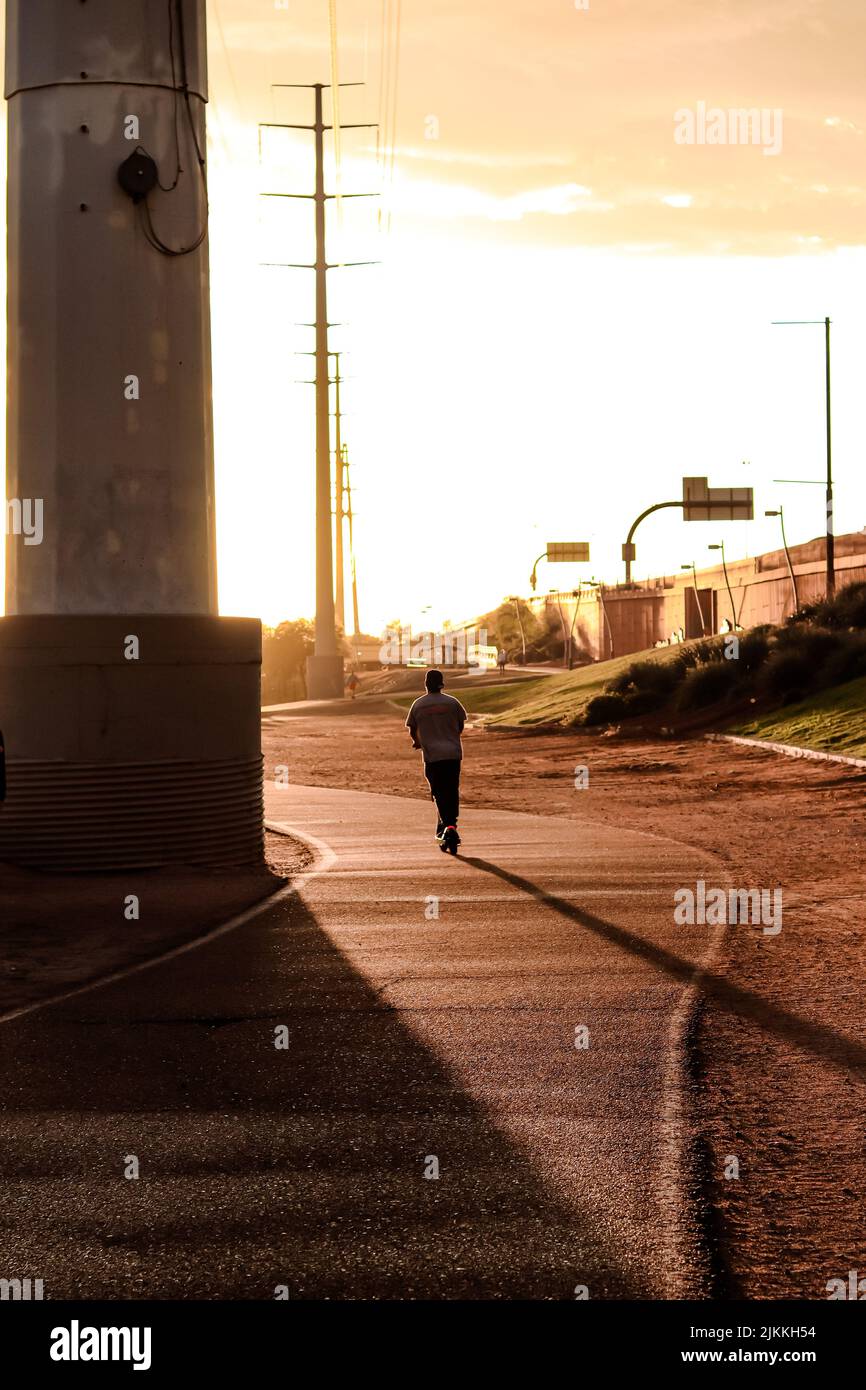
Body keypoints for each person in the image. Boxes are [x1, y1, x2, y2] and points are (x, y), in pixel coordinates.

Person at [405, 668, 467, 854]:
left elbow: (412, 728)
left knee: (438, 792)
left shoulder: (418, 705)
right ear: (442, 683)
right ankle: (451, 825)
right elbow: (460, 725)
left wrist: (418, 742)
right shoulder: (452, 702)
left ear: (426, 684)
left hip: (433, 756)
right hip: (453, 754)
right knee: (451, 789)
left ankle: (447, 826)